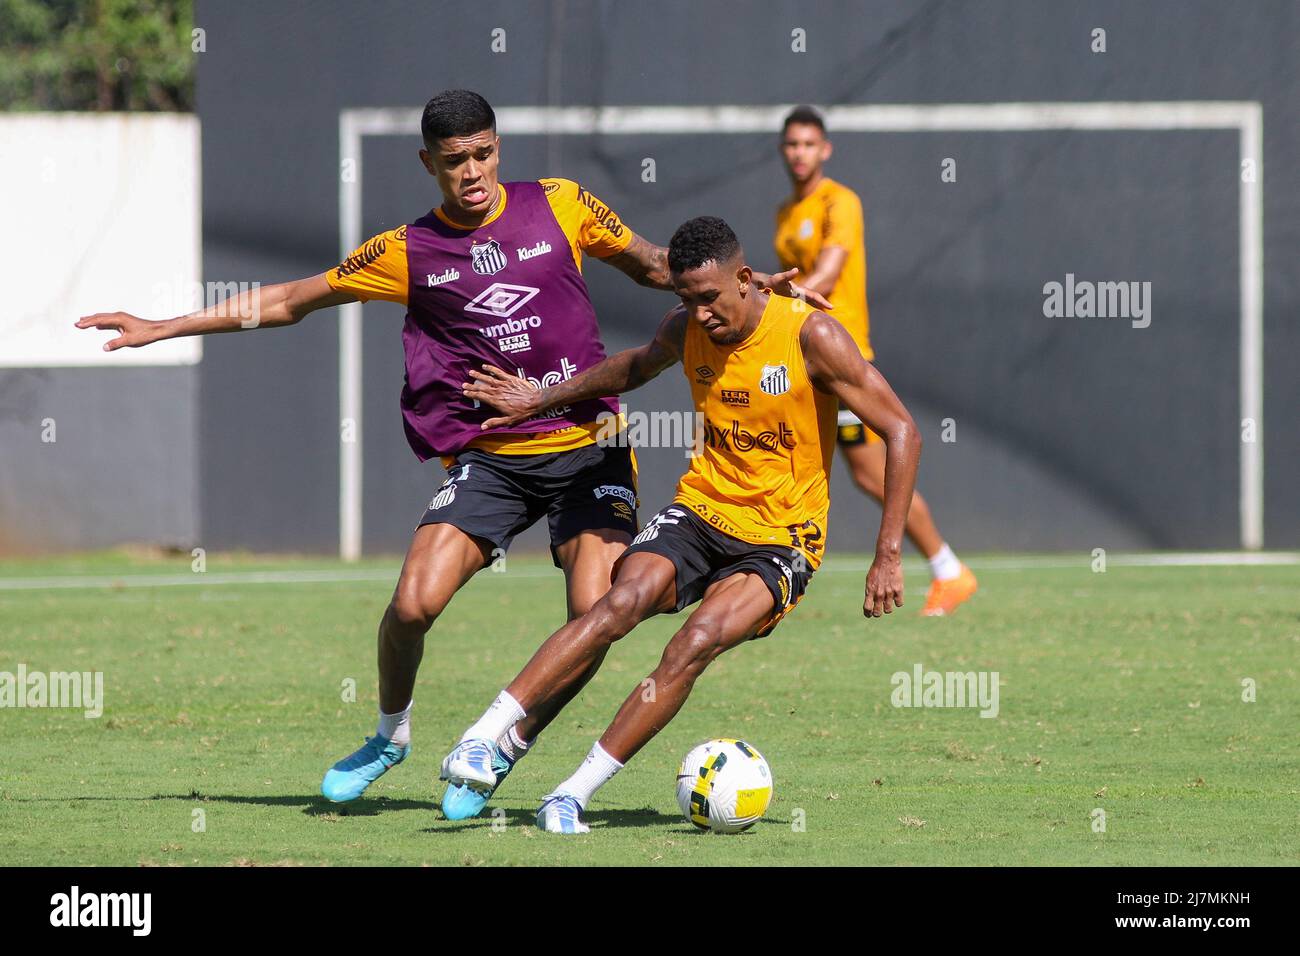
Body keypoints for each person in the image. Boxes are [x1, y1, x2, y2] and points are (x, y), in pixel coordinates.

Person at [76, 90, 822, 819]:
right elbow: (291, 300)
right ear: (428, 162)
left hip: (590, 447)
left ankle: (504, 747)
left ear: (498, 148)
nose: (473, 172)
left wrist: (756, 293)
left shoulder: (560, 202)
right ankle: (388, 734)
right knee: (410, 605)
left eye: (484, 154)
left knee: (595, 612)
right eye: (455, 160)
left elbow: (659, 265)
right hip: (494, 457)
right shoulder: (408, 251)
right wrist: (164, 326)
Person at [442, 215, 920, 833]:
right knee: (619, 602)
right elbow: (634, 367)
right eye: (686, 301)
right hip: (699, 510)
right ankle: (484, 740)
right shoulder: (686, 328)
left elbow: (902, 428)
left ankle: (570, 795)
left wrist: (888, 553)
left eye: (710, 299)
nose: (700, 315)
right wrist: (539, 398)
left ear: (745, 280)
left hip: (781, 539)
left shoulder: (811, 337)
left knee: (691, 645)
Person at [773, 105, 976, 616]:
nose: (799, 153)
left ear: (825, 149)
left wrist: (769, 300)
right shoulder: (785, 212)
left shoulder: (839, 202)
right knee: (847, 466)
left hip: (843, 356)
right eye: (791, 144)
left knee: (871, 469)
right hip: (804, 354)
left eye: (808, 144)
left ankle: (948, 569)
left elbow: (826, 274)